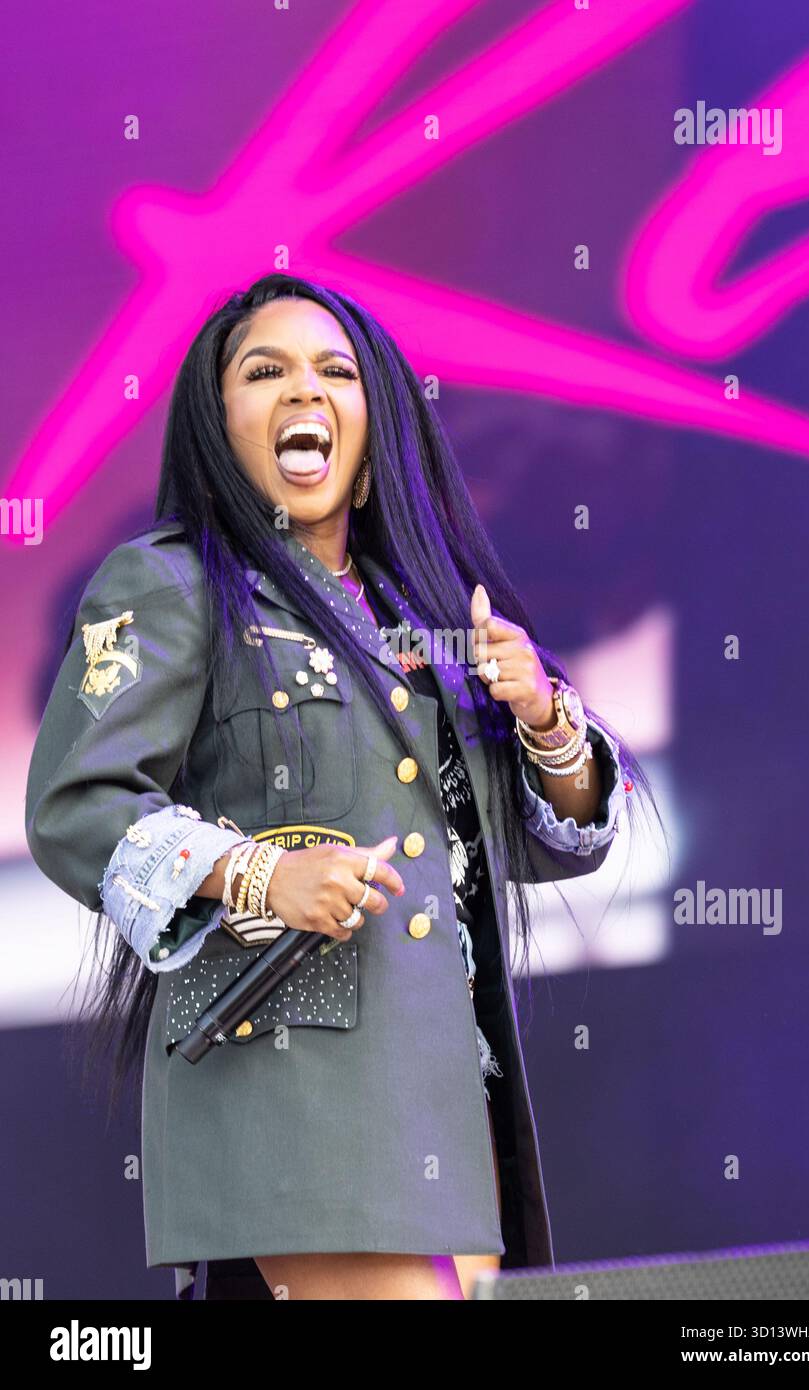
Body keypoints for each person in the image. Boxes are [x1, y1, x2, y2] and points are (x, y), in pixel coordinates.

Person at [25, 273, 660, 1301]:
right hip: (292, 1094)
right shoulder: (169, 583)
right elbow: (73, 807)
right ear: (217, 428)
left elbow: (549, 845)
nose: (302, 392)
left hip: (446, 1100)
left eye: (334, 372)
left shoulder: (421, 624)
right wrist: (253, 874)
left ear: (371, 447)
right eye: (263, 371)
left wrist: (543, 719)